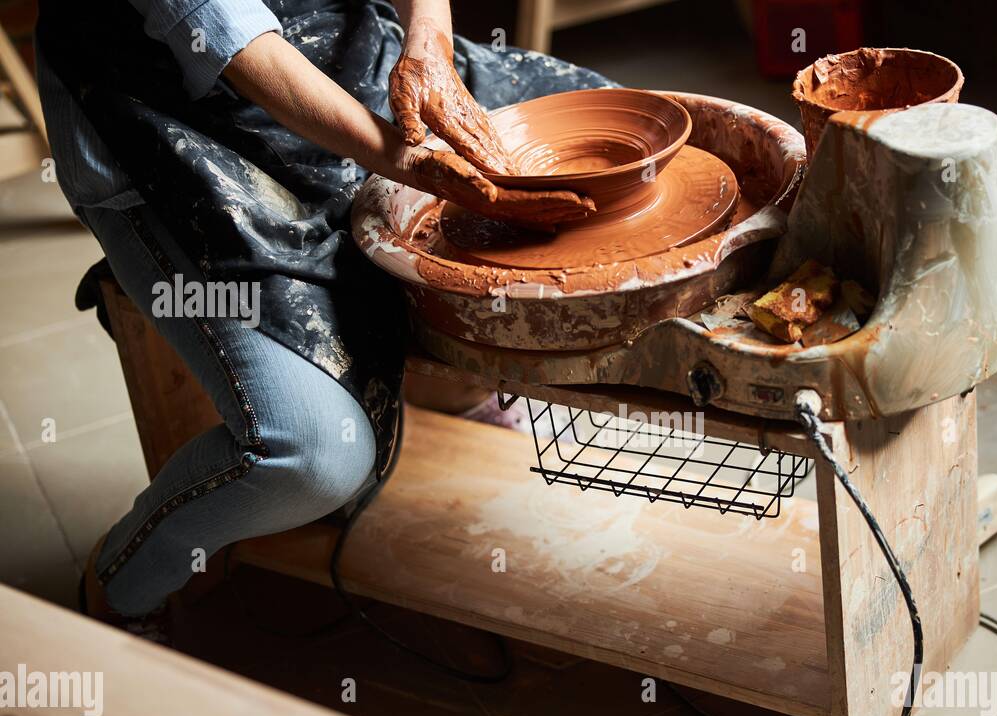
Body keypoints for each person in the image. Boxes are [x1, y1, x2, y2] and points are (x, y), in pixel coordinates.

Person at [34, 0, 612, 634]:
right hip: (174, 131)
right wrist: (409, 165)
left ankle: (454, 391)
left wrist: (428, 53)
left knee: (617, 143)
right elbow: (241, 49)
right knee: (313, 459)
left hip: (342, 54)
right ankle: (121, 585)